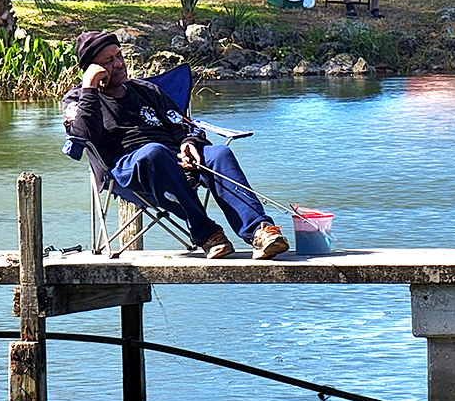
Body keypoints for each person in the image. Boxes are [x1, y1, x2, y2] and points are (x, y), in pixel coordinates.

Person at [62, 30, 290, 261]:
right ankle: (207, 233)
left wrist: (188, 142)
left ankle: (260, 232)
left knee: (219, 153)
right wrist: (89, 88)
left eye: (119, 55)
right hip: (125, 171)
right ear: (92, 68)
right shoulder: (78, 100)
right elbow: (80, 139)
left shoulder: (146, 90)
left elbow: (184, 125)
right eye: (108, 61)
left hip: (173, 159)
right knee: (154, 153)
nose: (119, 64)